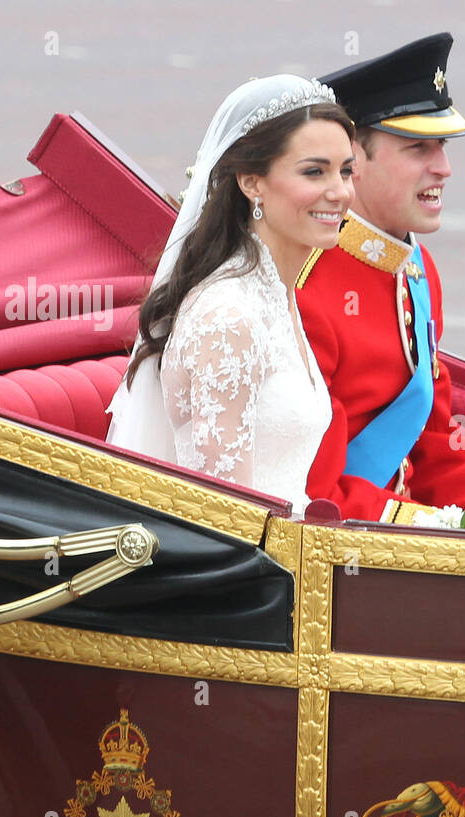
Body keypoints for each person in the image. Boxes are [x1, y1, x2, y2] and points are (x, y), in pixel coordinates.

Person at [296, 34, 465, 526]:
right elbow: (312, 491)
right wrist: (433, 528)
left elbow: (431, 437)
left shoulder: (416, 269)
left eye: (443, 146)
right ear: (352, 158)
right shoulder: (303, 283)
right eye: (418, 148)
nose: (444, 168)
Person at [106, 75, 354, 512]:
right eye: (314, 171)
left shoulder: (277, 293)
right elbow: (227, 517)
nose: (339, 192)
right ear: (251, 182)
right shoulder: (228, 316)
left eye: (346, 170)